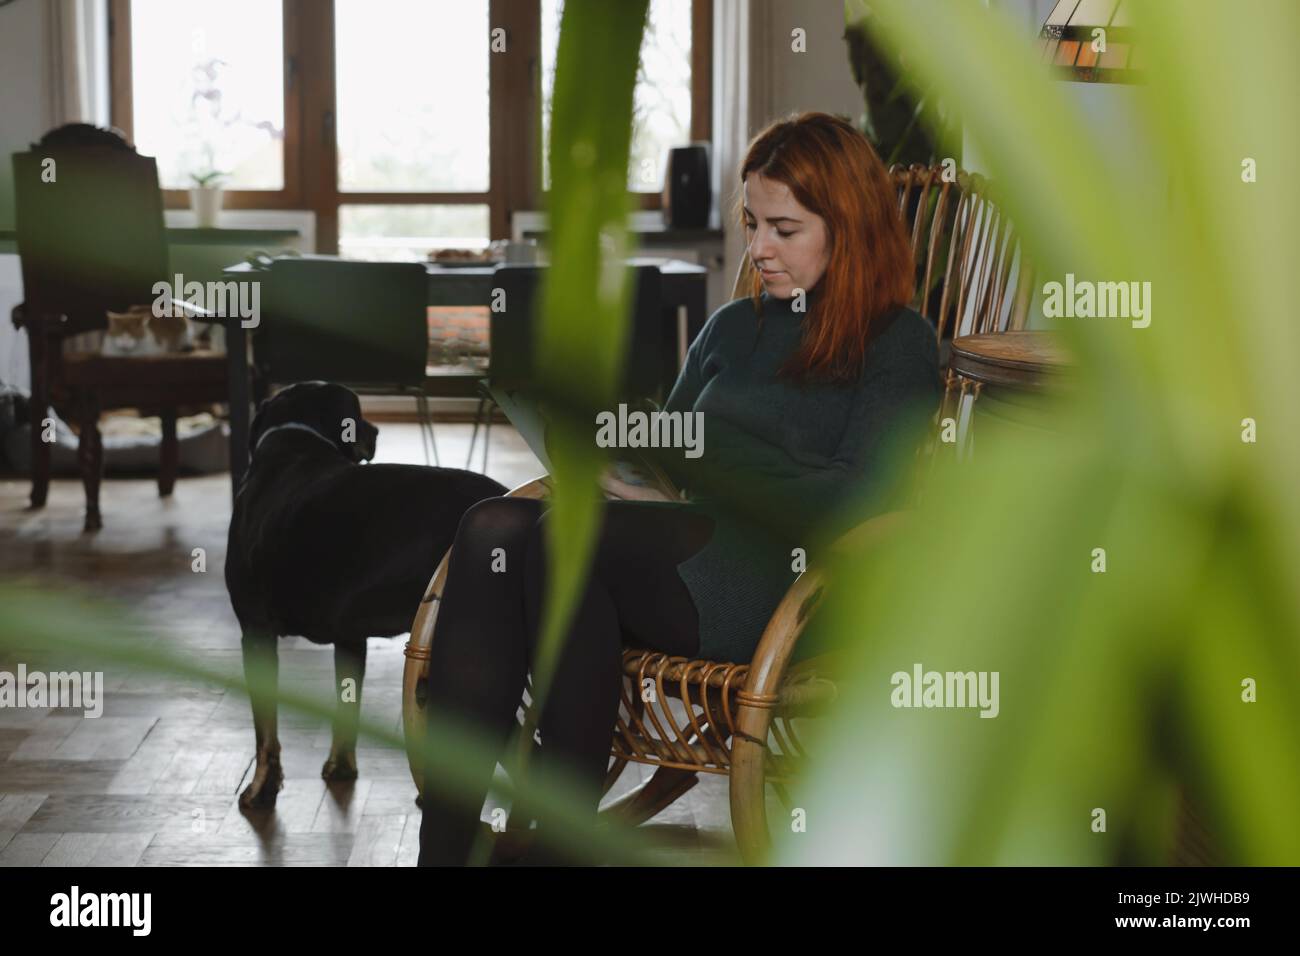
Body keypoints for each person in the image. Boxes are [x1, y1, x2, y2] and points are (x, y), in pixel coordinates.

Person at [418, 111, 941, 866]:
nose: (757, 249)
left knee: (562, 543)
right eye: (753, 222)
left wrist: (711, 460)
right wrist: (626, 465)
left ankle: (553, 843)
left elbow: (853, 503)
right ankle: (449, 847)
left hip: (789, 583)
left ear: (850, 229)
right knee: (493, 527)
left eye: (784, 230)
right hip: (671, 549)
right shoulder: (731, 329)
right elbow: (673, 452)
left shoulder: (899, 346)